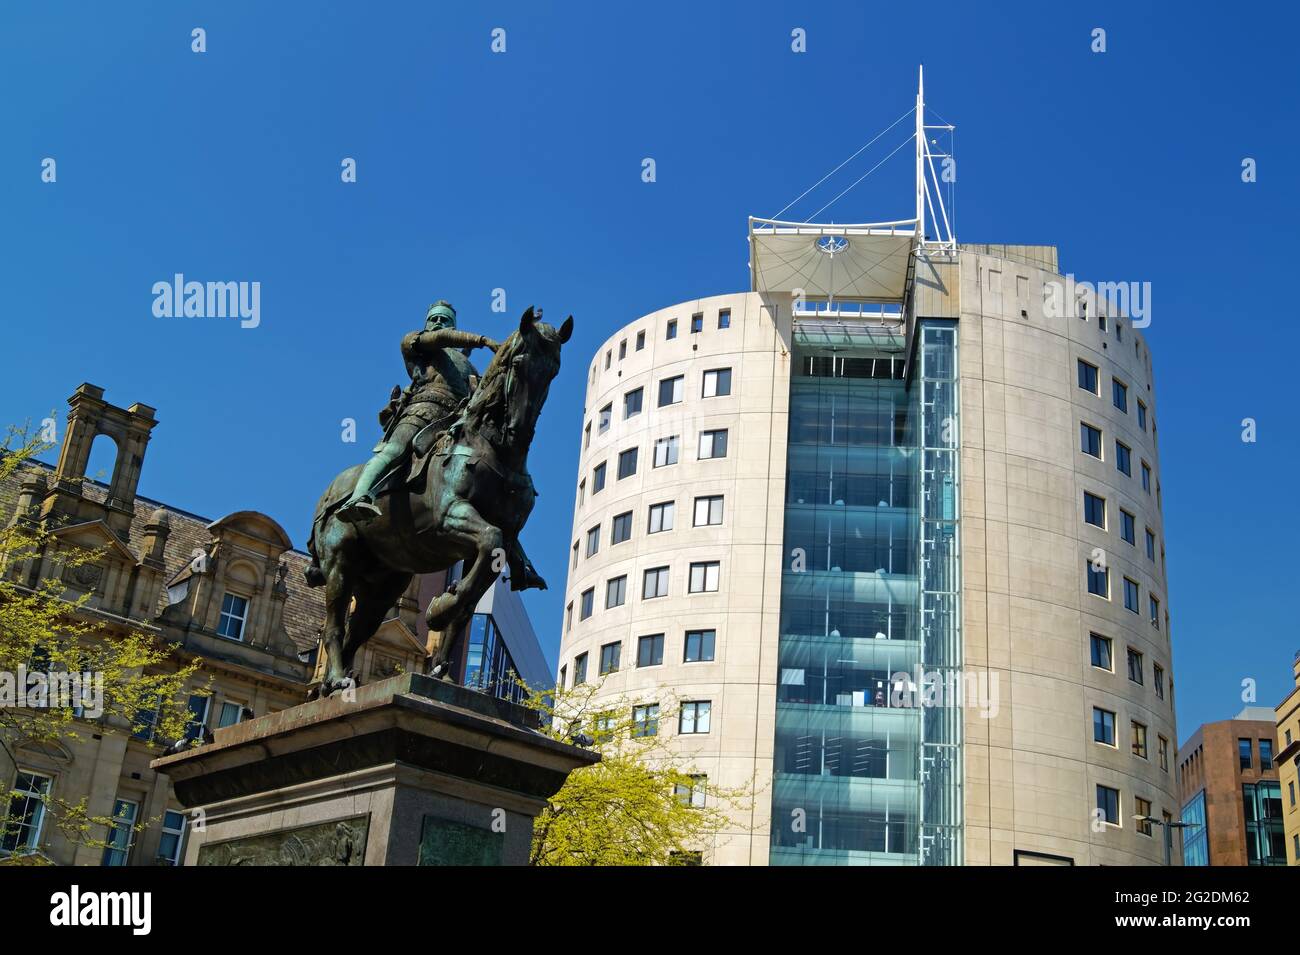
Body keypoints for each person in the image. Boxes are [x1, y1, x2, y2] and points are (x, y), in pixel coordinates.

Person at [337, 301, 498, 523]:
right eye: (434, 318)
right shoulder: (415, 342)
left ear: (453, 325)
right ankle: (358, 496)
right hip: (421, 410)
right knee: (394, 450)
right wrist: (482, 341)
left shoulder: (469, 367)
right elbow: (440, 338)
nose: (439, 322)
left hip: (456, 420)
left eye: (445, 319)